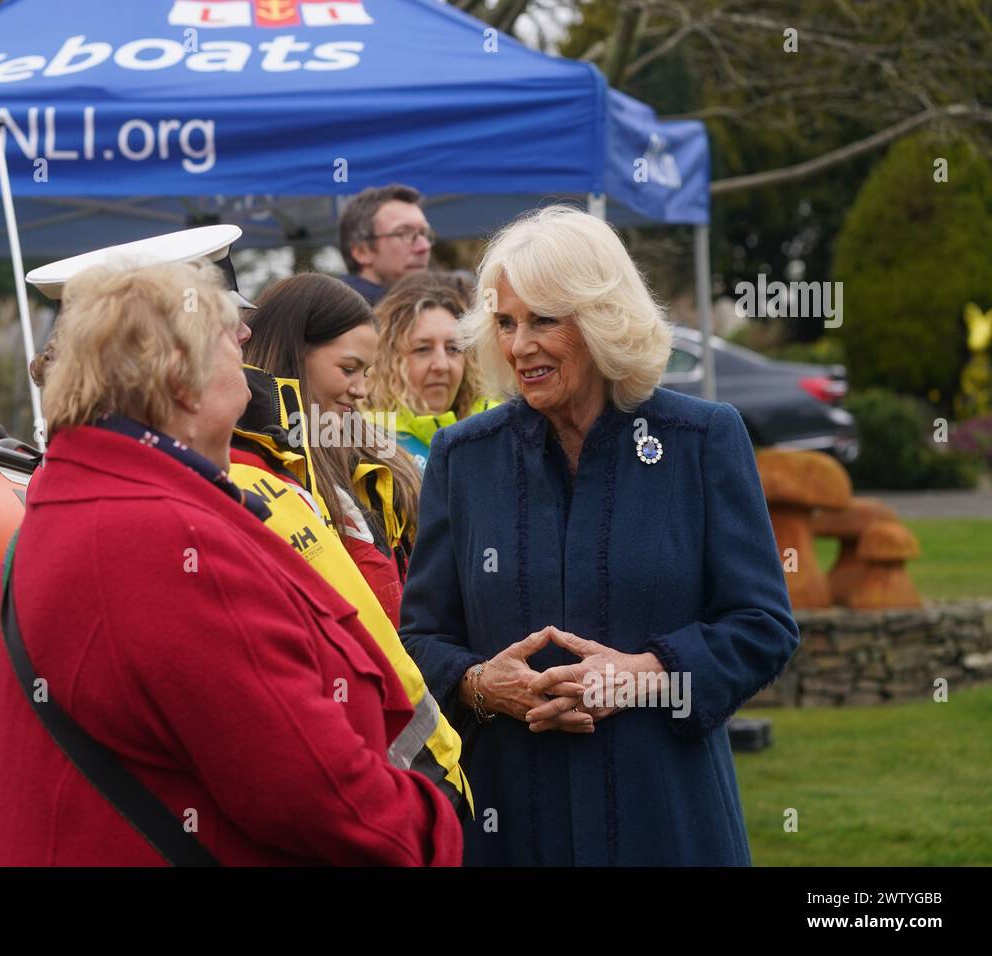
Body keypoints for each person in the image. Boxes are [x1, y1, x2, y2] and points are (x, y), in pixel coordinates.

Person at [0, 260, 462, 865]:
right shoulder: (165, 539)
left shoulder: (90, 497)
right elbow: (314, 793)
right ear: (180, 378)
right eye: (222, 330)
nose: (246, 339)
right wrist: (436, 832)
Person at [399, 205, 799, 866]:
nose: (520, 344)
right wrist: (479, 682)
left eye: (544, 320)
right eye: (504, 323)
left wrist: (644, 675)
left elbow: (762, 625)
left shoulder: (701, 441)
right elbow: (418, 639)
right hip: (510, 821)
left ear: (603, 319)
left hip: (665, 819)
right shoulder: (465, 457)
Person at [241, 273, 422, 627]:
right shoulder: (253, 455)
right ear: (294, 355)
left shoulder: (373, 450)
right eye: (348, 369)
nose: (361, 390)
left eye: (366, 373)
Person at [365, 271, 497, 472]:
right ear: (386, 360)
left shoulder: (499, 425)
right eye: (423, 349)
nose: (441, 365)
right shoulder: (365, 440)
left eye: (453, 348)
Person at [336, 184, 433, 305]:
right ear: (362, 252)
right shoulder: (346, 316)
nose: (424, 246)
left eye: (424, 233)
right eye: (404, 233)